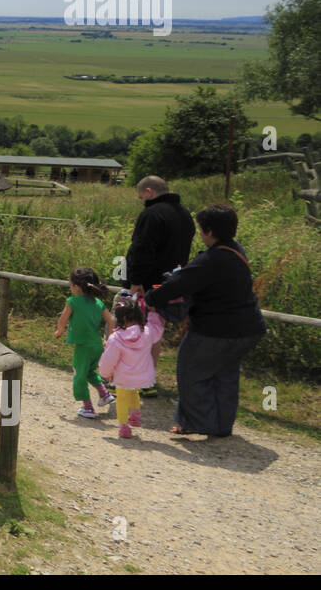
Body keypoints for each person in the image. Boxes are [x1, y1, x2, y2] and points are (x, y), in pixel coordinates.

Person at [145, 204, 266, 438]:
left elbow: (180, 283)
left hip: (216, 330)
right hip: (249, 328)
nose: (200, 234)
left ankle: (198, 423)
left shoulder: (211, 259)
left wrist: (152, 298)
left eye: (201, 230)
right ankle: (221, 426)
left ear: (209, 231)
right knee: (225, 375)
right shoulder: (235, 251)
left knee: (191, 371)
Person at [125, 175, 196, 396]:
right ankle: (148, 379)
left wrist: (136, 280)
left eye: (141, 198)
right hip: (169, 284)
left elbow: (142, 249)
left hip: (146, 284)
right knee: (155, 331)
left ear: (149, 192)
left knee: (131, 328)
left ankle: (128, 378)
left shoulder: (151, 214)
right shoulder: (185, 215)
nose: (142, 202)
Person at [98, 294, 164, 439]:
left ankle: (123, 427)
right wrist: (153, 312)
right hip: (142, 375)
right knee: (134, 393)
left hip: (124, 377)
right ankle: (135, 416)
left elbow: (109, 359)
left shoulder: (116, 338)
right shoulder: (147, 332)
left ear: (120, 319)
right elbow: (157, 328)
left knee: (121, 399)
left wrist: (104, 373)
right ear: (140, 316)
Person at [54, 267, 116, 418]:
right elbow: (112, 320)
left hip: (83, 346)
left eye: (71, 284)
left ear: (76, 286)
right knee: (89, 372)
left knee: (79, 375)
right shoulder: (98, 303)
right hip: (97, 345)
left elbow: (63, 318)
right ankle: (104, 394)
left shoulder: (73, 301)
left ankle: (87, 407)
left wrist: (59, 330)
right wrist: (108, 339)